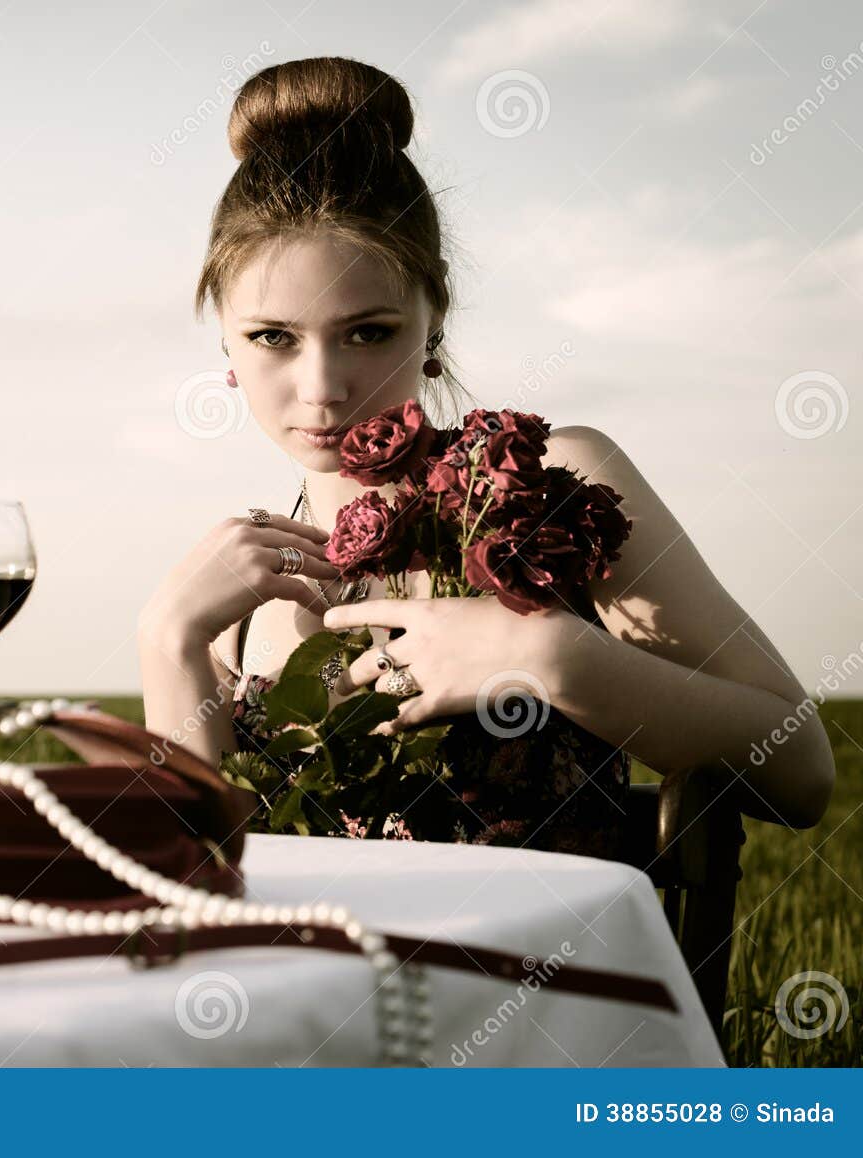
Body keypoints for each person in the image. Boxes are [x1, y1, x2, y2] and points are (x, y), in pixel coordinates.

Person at [136, 55, 835, 857]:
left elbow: (801, 773)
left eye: (369, 331)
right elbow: (199, 890)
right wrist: (170, 644)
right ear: (224, 336)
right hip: (316, 985)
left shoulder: (547, 484)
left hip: (550, 979)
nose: (323, 387)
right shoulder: (235, 594)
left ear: (434, 318)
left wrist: (553, 657)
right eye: (273, 338)